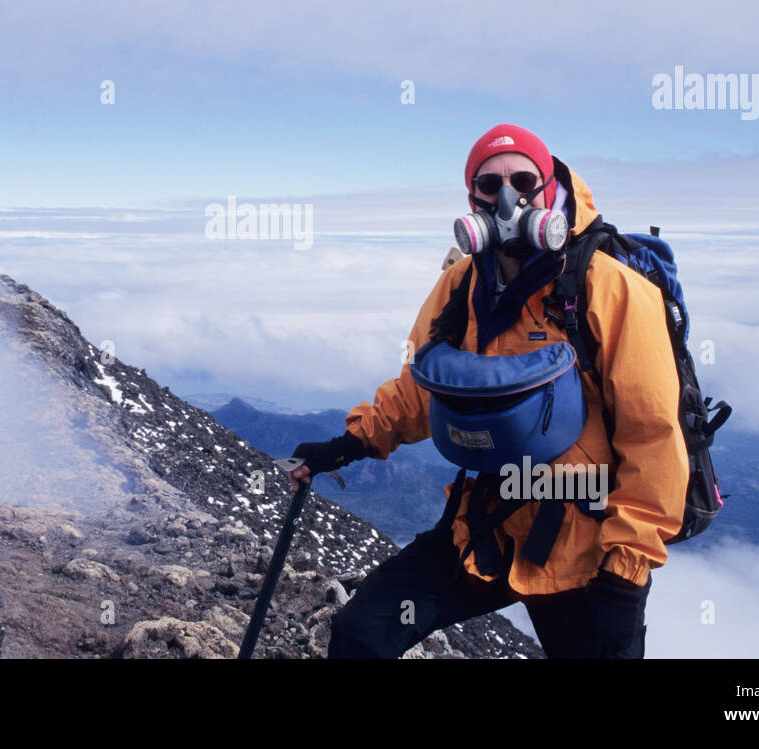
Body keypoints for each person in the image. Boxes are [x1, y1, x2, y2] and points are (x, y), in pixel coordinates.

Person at [288, 123, 688, 659]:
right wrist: (351, 442)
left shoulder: (609, 287)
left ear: (550, 187)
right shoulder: (460, 287)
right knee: (362, 633)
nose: (507, 196)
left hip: (586, 547)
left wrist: (627, 570)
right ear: (471, 196)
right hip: (485, 527)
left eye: (523, 178)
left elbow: (653, 434)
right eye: (489, 183)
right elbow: (423, 384)